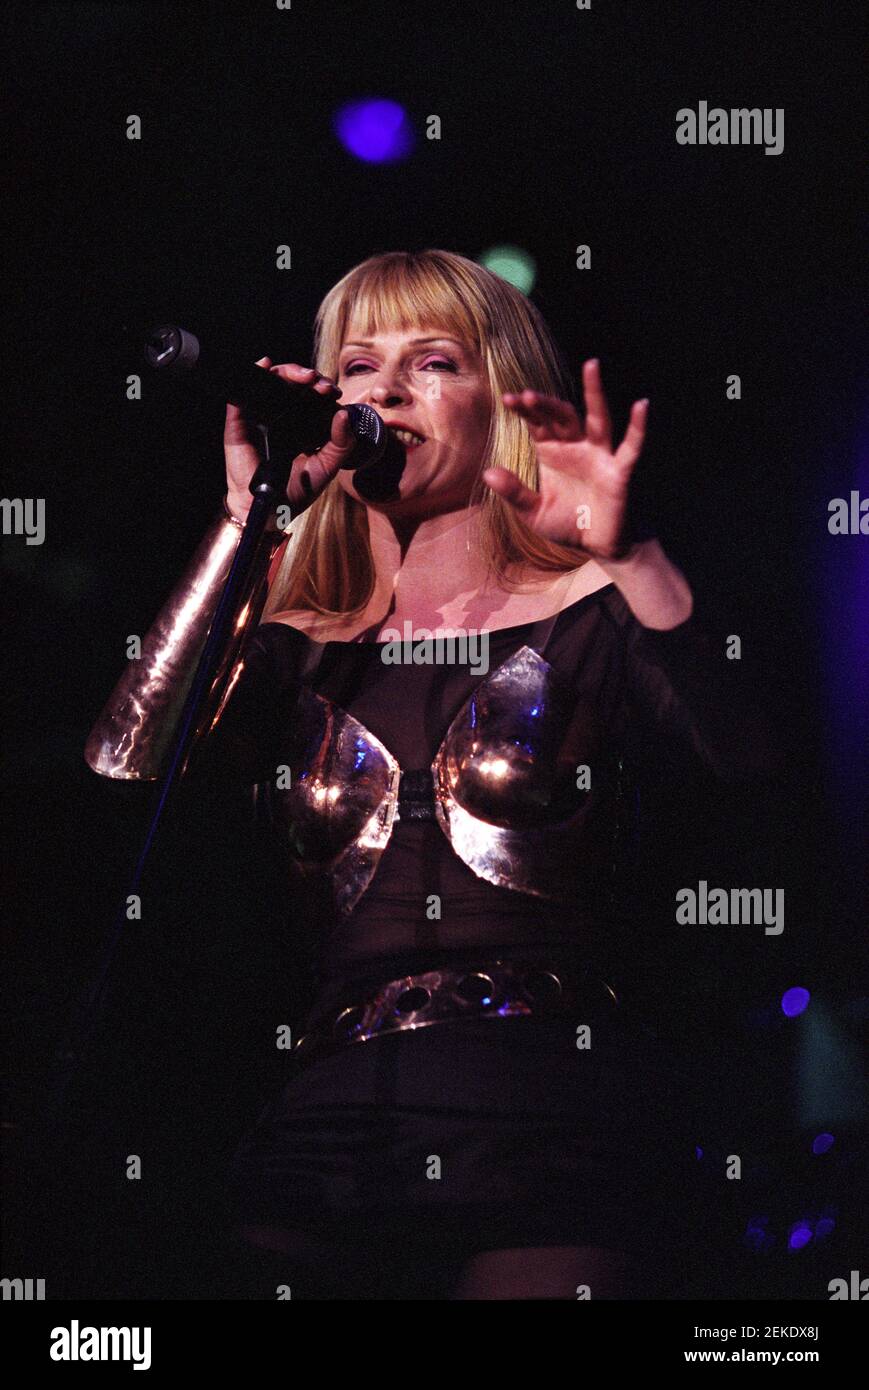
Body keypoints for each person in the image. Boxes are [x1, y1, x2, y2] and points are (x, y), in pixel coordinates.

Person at [86, 249, 775, 1300]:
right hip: (330, 1117)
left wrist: (634, 558)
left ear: (497, 398)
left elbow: (753, 765)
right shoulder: (297, 639)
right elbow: (126, 764)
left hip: (554, 1109)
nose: (383, 392)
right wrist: (247, 519)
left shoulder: (594, 606)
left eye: (431, 361)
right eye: (358, 367)